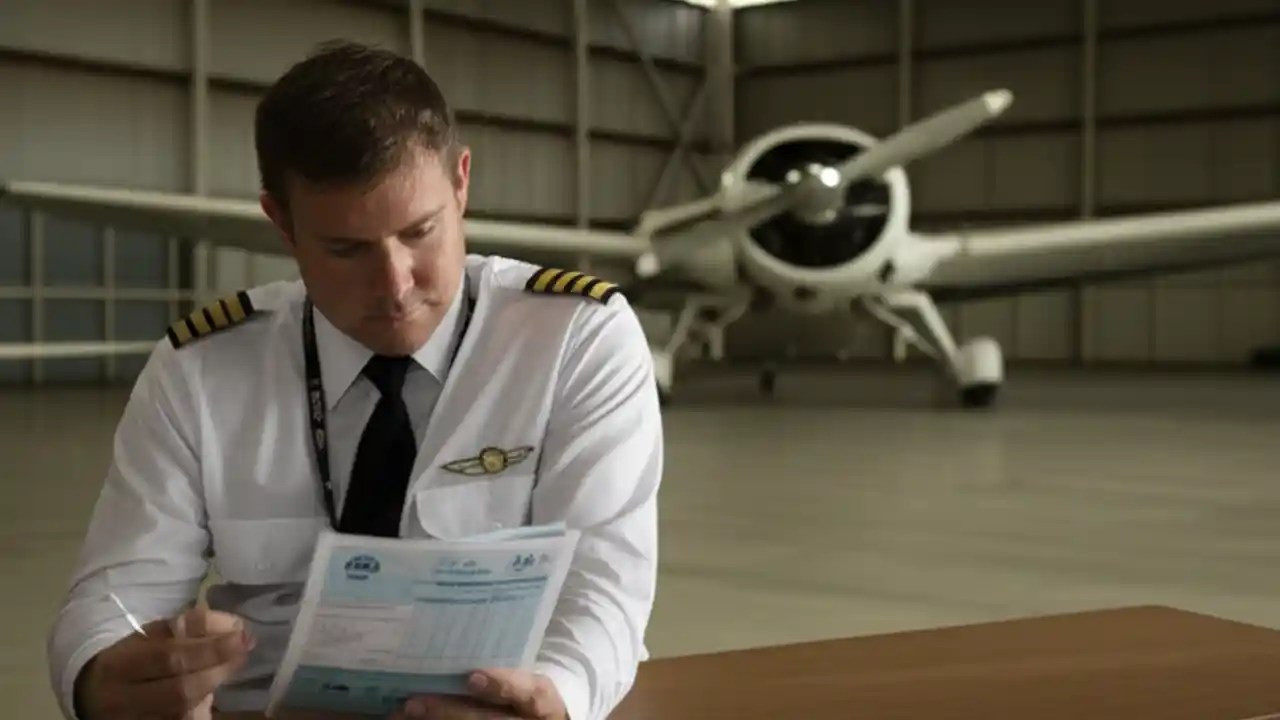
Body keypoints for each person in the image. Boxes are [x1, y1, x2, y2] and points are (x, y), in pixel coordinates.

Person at [47, 40, 663, 720]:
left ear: (461, 183)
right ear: (280, 223)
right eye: (347, 250)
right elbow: (114, 595)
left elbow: (606, 585)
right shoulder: (200, 371)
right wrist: (104, 678)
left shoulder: (573, 339)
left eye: (421, 232)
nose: (395, 287)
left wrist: (556, 698)